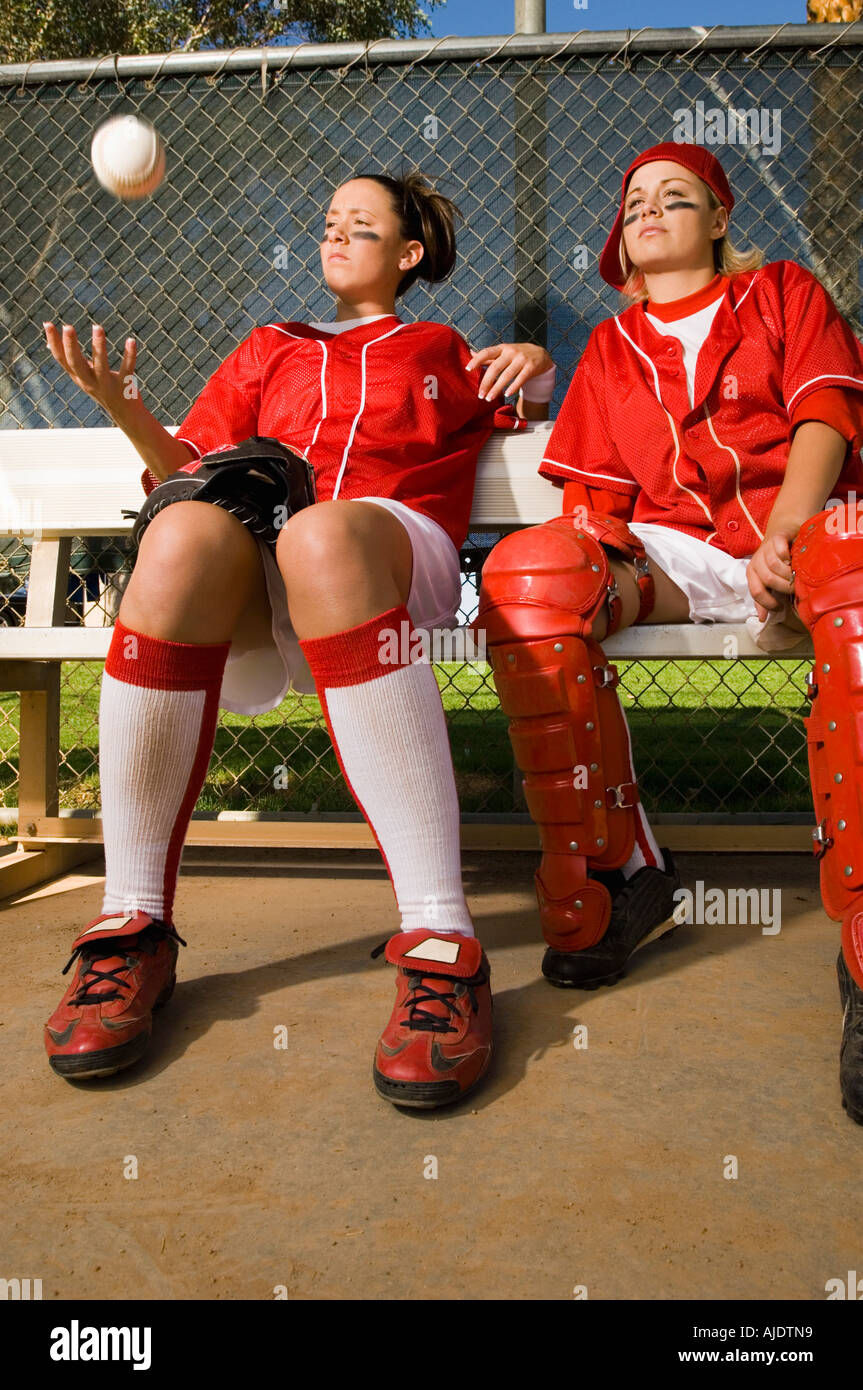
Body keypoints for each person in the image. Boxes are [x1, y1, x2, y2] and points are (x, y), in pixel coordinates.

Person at [41, 170, 556, 1109]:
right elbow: (187, 473)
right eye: (326, 223)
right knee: (181, 530)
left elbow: (548, 429)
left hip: (390, 554)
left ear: (407, 256)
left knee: (322, 528)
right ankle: (133, 924)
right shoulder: (268, 345)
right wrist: (124, 409)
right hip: (264, 564)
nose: (335, 236)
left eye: (360, 226)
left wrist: (534, 362)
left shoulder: (440, 347)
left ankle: (444, 941)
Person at [474, 141, 863, 1123]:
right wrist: (576, 569)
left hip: (808, 530)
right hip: (678, 555)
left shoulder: (780, 292)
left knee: (851, 566)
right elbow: (594, 502)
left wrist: (787, 535)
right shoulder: (611, 345)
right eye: (632, 199)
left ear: (718, 218)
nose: (646, 210)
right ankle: (616, 877)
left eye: (673, 196)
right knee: (526, 575)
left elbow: (824, 413)